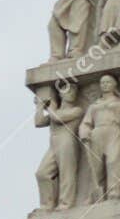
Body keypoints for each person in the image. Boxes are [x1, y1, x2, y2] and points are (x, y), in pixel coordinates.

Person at [79, 74, 120, 202]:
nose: (105, 85)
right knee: (95, 165)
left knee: (113, 161)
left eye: (108, 82)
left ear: (114, 85)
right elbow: (86, 123)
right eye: (102, 83)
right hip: (97, 133)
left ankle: (114, 192)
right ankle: (95, 194)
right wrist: (84, 132)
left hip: (114, 131)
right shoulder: (94, 105)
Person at [34, 80, 85, 210]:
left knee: (67, 173)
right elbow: (38, 122)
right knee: (42, 173)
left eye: (73, 91)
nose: (71, 94)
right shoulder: (55, 111)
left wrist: (50, 106)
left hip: (67, 141)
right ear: (61, 94)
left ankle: (65, 203)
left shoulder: (77, 110)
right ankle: (47, 204)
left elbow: (58, 118)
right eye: (68, 91)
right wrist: (39, 106)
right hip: (53, 143)